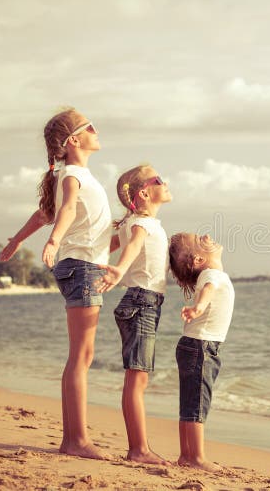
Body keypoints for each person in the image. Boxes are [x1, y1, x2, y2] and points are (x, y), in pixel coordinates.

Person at [0, 108, 112, 460]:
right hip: (81, 267)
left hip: (82, 265)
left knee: (82, 355)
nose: (97, 130)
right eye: (89, 127)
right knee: (81, 356)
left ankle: (74, 437)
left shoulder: (70, 174)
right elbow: (61, 215)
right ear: (74, 140)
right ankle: (76, 439)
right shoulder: (73, 175)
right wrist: (52, 241)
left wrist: (16, 240)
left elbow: (44, 213)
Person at [96, 164, 172, 465]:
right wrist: (120, 269)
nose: (165, 183)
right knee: (137, 379)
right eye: (159, 180)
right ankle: (138, 449)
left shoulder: (134, 222)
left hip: (142, 301)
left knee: (137, 378)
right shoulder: (143, 223)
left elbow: (113, 244)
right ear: (144, 192)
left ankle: (138, 447)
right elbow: (134, 246)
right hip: (142, 301)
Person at [168, 232, 234, 472]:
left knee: (189, 401)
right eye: (200, 240)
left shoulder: (210, 273)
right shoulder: (212, 275)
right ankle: (196, 457)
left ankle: (187, 454)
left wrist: (198, 308)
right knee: (197, 402)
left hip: (193, 345)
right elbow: (208, 289)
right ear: (198, 259)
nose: (207, 236)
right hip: (202, 346)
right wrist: (198, 307)